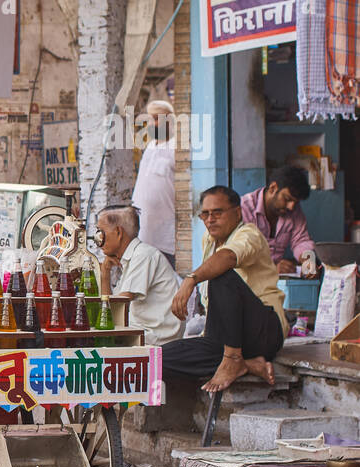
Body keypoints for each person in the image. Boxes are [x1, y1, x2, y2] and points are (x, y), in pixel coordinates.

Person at [163, 185, 288, 393]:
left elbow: (228, 257)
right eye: (205, 214)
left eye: (217, 213)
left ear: (237, 212)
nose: (210, 219)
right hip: (229, 337)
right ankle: (248, 365)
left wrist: (191, 279)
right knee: (159, 359)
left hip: (264, 330)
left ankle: (233, 359)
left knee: (220, 275)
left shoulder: (249, 234)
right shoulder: (208, 240)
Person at [97, 204, 183, 347]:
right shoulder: (131, 258)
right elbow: (111, 310)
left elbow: (118, 305)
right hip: (142, 332)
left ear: (118, 232)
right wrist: (105, 272)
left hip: (155, 338)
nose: (98, 240)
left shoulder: (143, 255)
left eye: (101, 233)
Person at [241, 165, 320, 277]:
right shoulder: (244, 209)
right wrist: (272, 268)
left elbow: (301, 240)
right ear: (273, 188)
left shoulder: (294, 211)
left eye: (296, 202)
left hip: (275, 282)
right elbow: (241, 256)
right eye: (287, 199)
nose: (291, 207)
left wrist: (308, 261)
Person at [131, 98, 177, 267]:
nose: (152, 123)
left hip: (166, 232)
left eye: (157, 118)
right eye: (150, 119)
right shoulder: (150, 146)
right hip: (143, 230)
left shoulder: (177, 147)